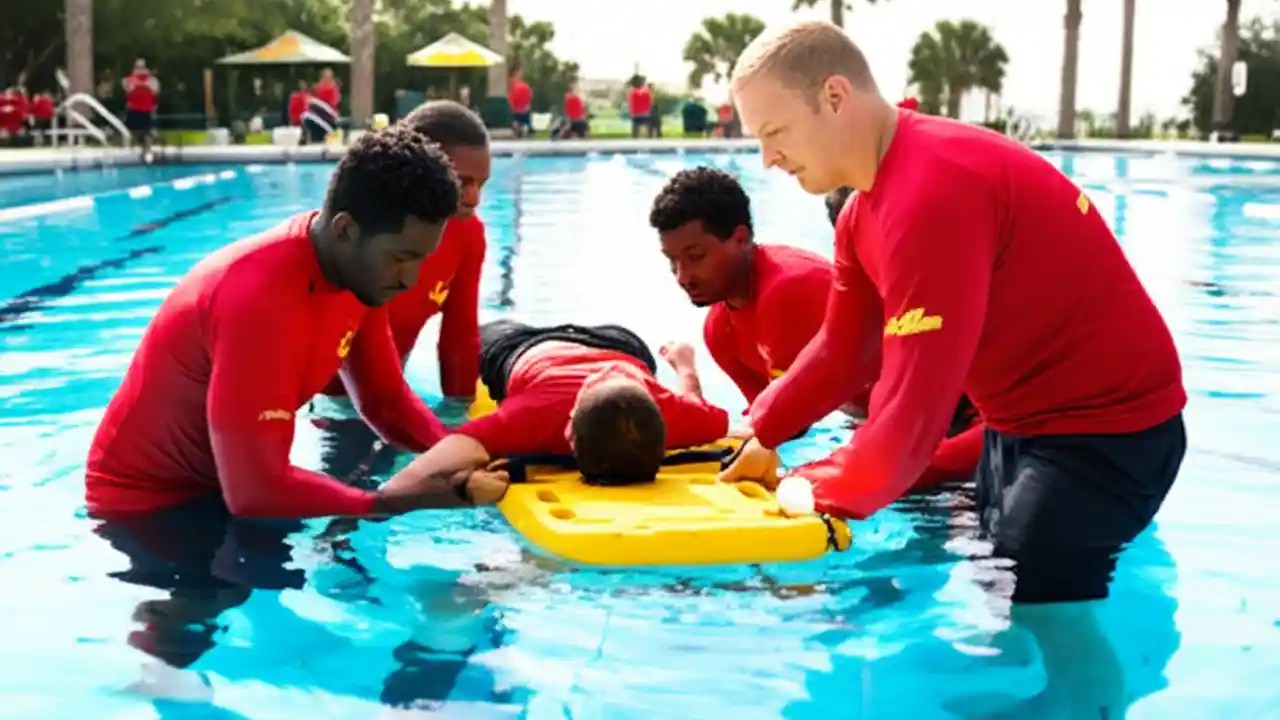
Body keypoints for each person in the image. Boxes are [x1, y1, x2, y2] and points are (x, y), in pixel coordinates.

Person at [721, 21, 1186, 604]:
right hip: (1016, 425)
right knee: (1000, 580)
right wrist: (762, 432)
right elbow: (843, 351)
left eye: (774, 131)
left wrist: (804, 486)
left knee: (1043, 606)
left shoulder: (931, 193)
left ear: (834, 97)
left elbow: (908, 429)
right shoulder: (863, 214)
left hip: (1106, 434)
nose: (765, 159)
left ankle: (1081, 701)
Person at [85, 125, 508, 521]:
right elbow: (255, 492)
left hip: (225, 488)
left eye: (420, 261)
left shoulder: (357, 272)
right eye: (401, 258)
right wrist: (393, 502)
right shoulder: (259, 301)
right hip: (144, 508)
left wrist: (461, 454)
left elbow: (385, 400)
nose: (409, 280)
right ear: (346, 229)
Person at [651, 166, 980, 492]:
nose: (682, 276)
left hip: (969, 414)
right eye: (672, 261)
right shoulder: (720, 331)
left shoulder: (791, 288)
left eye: (696, 256)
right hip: (898, 429)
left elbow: (786, 420)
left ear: (740, 239)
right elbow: (775, 427)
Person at [378, 321, 729, 496]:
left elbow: (424, 469)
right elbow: (700, 405)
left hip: (614, 346)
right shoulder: (668, 416)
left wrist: (465, 484)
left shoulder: (529, 419)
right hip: (552, 347)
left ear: (569, 432)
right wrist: (685, 366)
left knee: (485, 335)